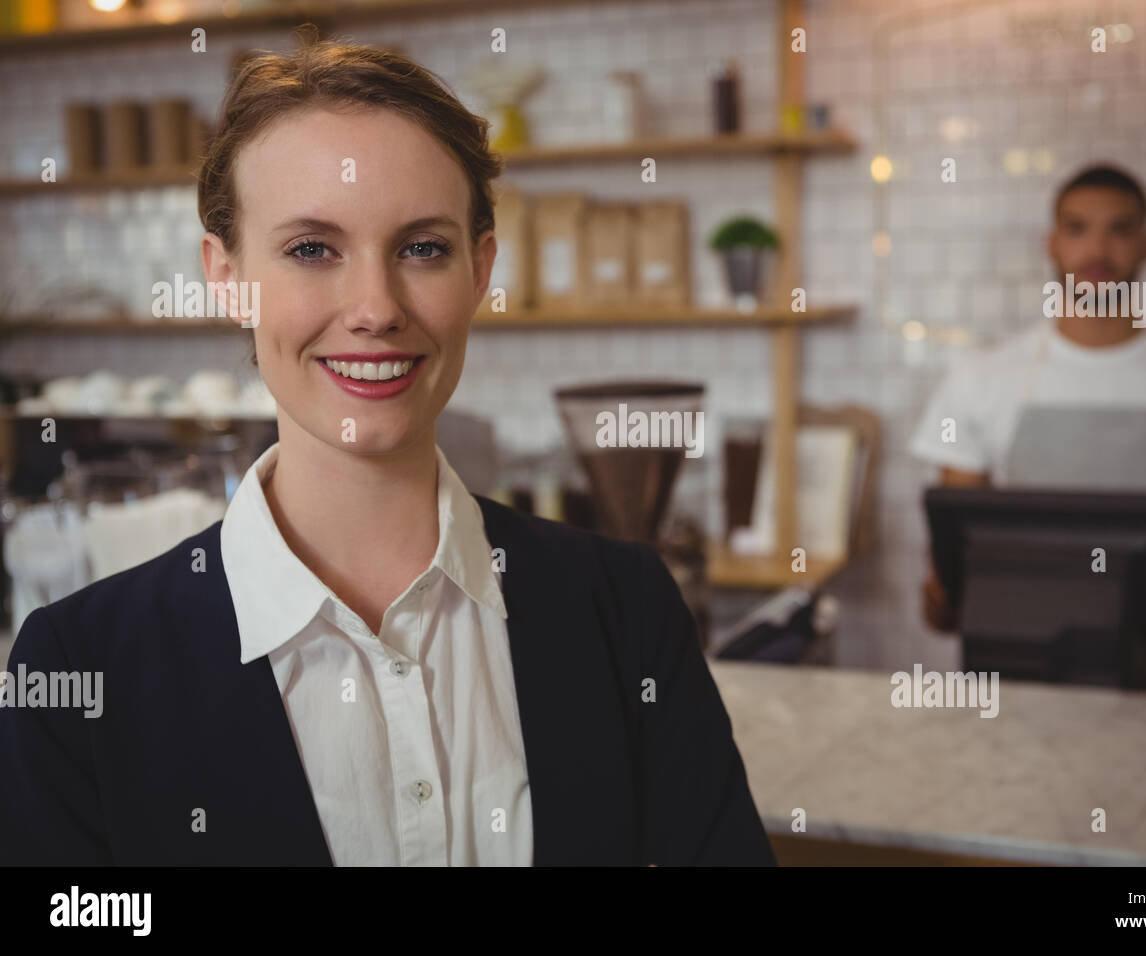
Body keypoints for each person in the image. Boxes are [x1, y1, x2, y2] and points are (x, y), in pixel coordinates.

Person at [0, 36, 774, 867]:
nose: (375, 307)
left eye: (421, 248)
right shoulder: (75, 669)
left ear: (480, 270)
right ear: (225, 277)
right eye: (310, 250)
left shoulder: (625, 610)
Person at [910, 163, 1146, 653]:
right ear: (1052, 244)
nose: (1097, 251)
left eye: (1120, 230)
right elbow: (956, 538)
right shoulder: (977, 381)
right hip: (1015, 664)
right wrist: (949, 595)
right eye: (1077, 229)